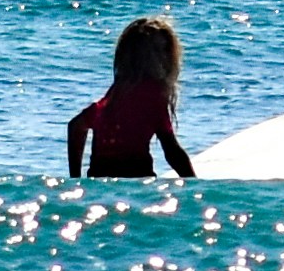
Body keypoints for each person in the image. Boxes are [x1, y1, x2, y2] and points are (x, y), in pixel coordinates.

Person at [66, 14, 200, 180]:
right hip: (135, 179)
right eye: (161, 50)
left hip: (100, 180)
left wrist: (75, 180)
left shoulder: (116, 94)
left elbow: (76, 126)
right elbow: (171, 150)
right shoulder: (153, 94)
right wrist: (193, 184)